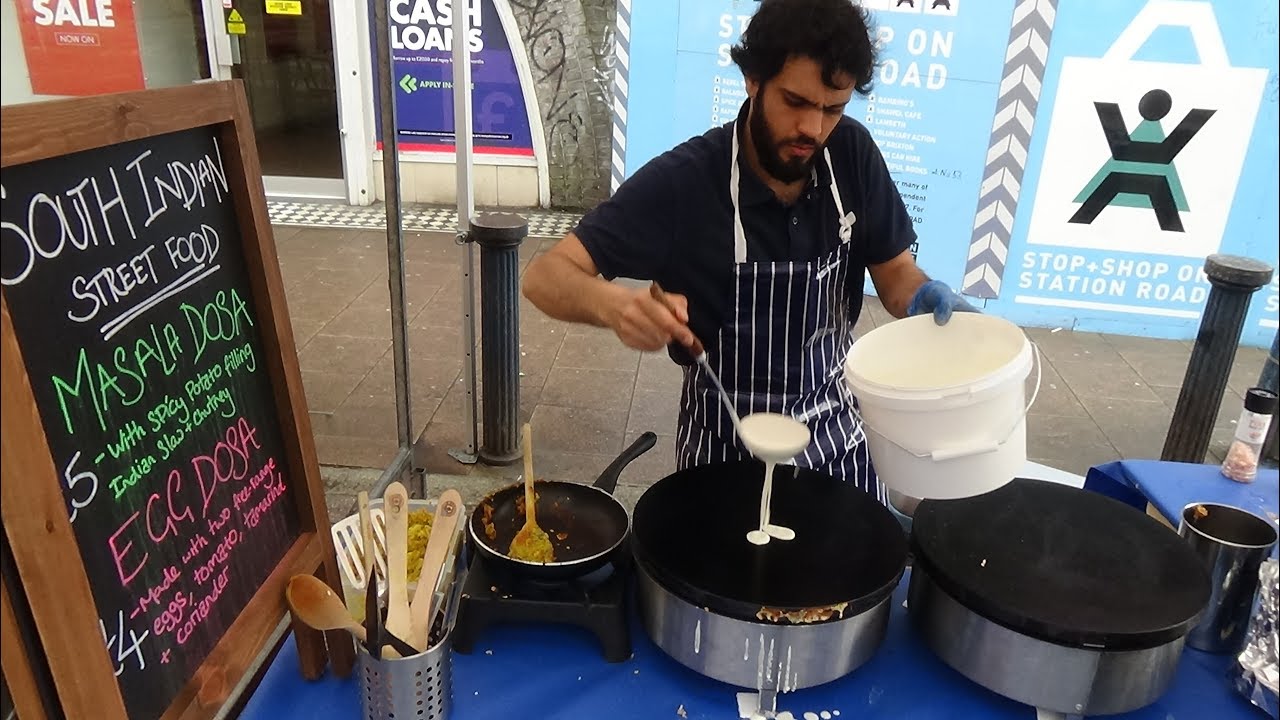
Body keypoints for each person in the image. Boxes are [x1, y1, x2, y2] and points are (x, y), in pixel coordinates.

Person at [521, 0, 974, 504]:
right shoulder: (687, 183)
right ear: (753, 79)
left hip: (835, 441)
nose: (813, 129)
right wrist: (617, 306)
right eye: (796, 102)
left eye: (833, 108)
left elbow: (894, 274)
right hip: (723, 450)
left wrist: (921, 297)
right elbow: (544, 276)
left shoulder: (852, 154)